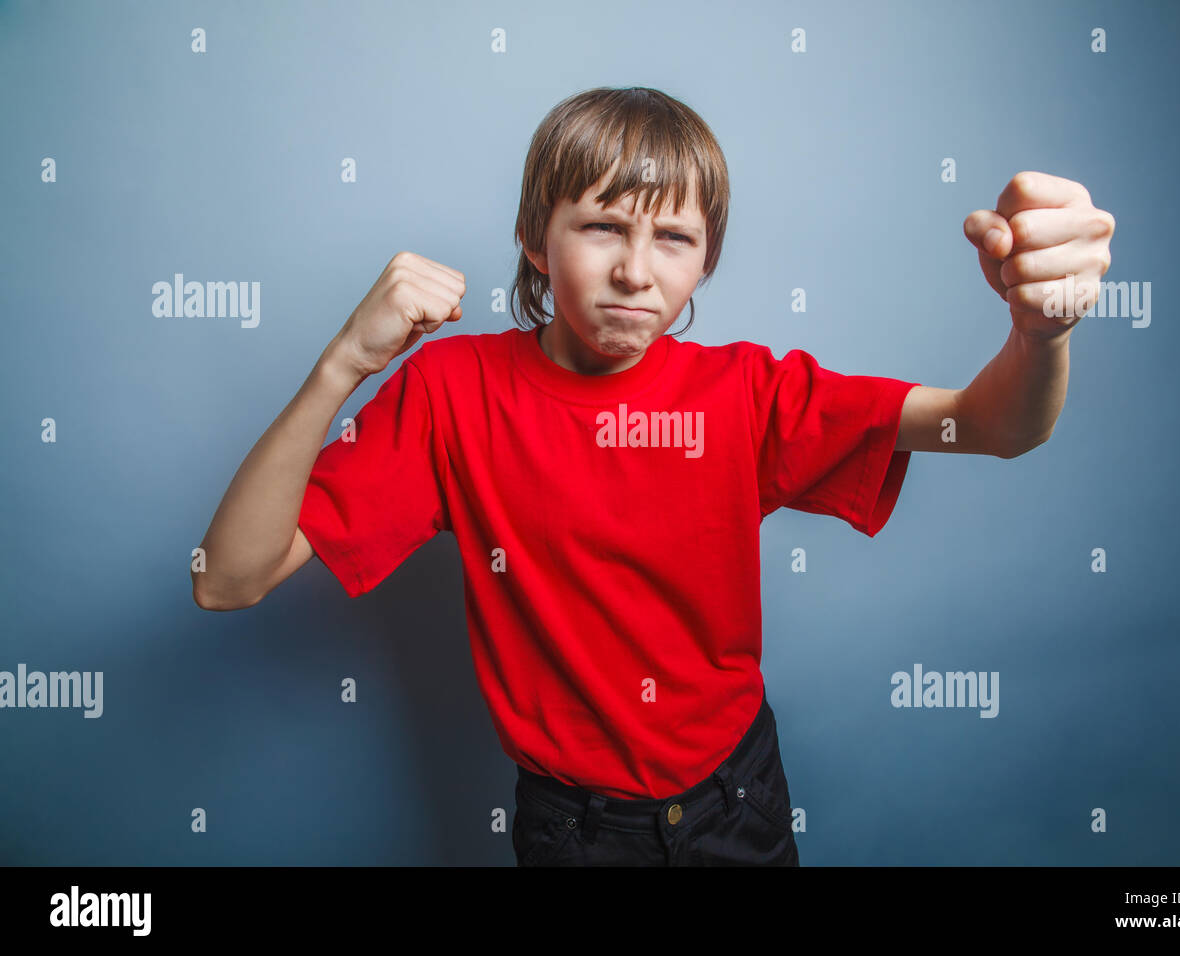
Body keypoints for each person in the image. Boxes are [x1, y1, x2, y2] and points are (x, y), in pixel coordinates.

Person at [191, 86, 1115, 866]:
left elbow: (999, 427)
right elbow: (228, 578)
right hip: (575, 833)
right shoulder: (451, 391)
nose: (636, 272)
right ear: (534, 238)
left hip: (739, 804)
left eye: (674, 237)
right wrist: (343, 363)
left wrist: (1041, 334)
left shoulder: (749, 394)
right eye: (601, 226)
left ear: (707, 256)